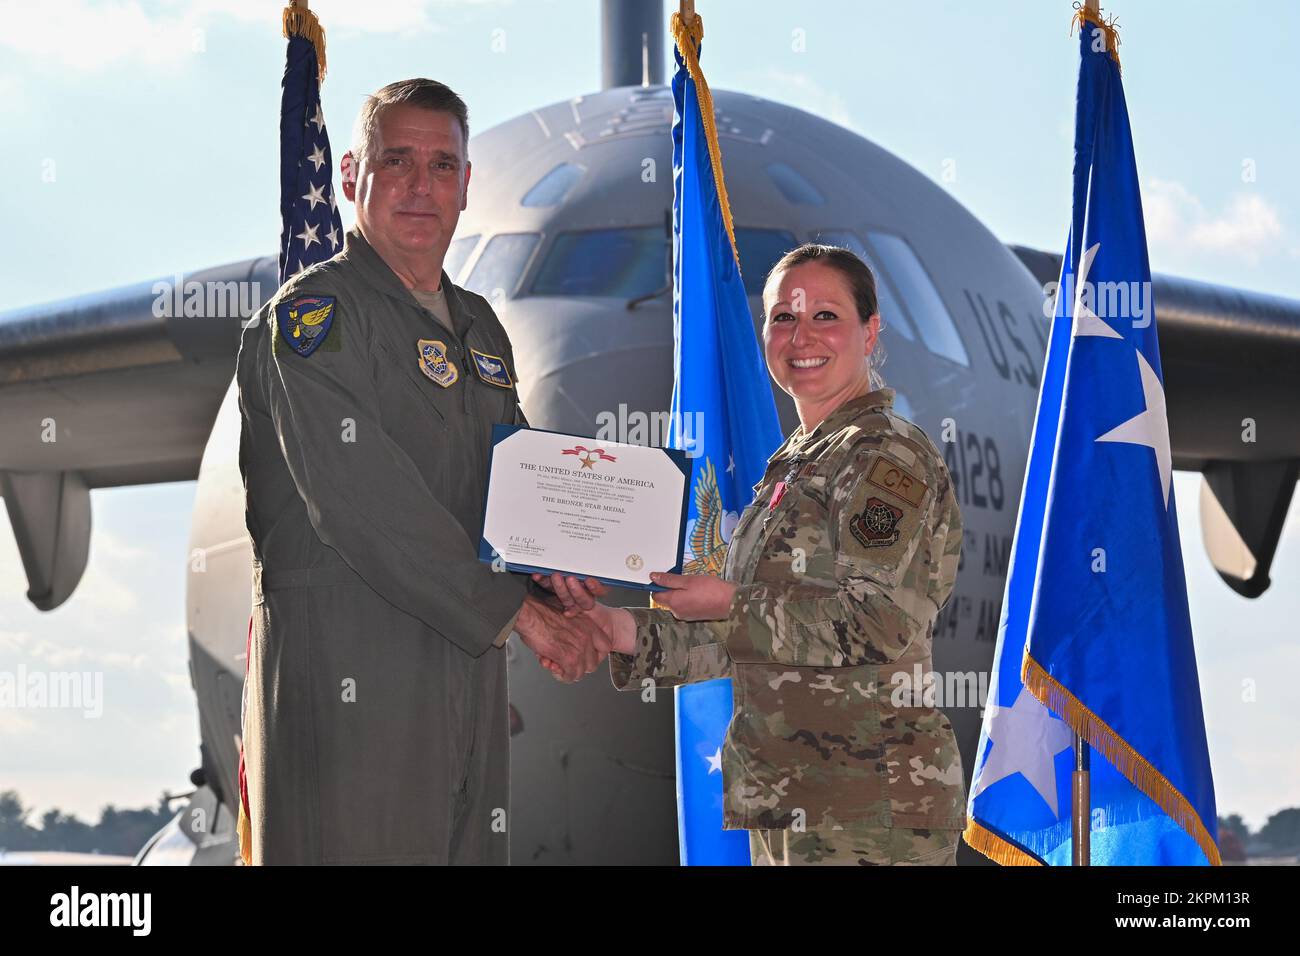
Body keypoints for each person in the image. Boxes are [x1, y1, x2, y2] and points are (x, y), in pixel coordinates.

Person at [236, 78, 609, 866]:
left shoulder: (479, 327)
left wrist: (560, 576)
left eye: (442, 166)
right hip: (349, 690)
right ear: (350, 176)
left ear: (468, 185)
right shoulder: (316, 321)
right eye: (396, 161)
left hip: (467, 684)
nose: (420, 186)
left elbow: (512, 494)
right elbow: (361, 501)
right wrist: (530, 620)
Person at [537, 243, 967, 865]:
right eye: (783, 318)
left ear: (870, 332)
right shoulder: (792, 468)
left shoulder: (885, 457)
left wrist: (731, 602)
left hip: (871, 809)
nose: (801, 335)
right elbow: (748, 634)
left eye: (826, 315)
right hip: (795, 804)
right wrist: (615, 628)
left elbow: (879, 622)